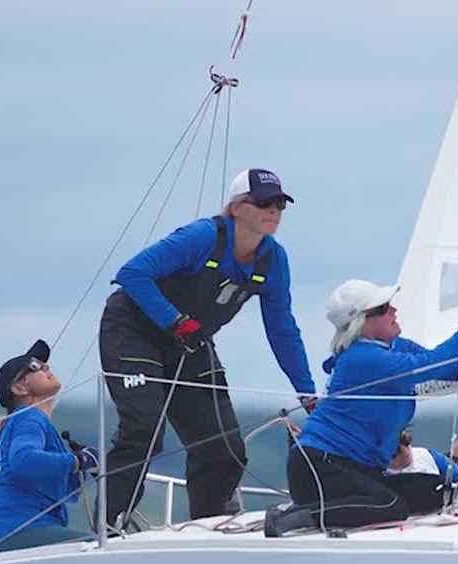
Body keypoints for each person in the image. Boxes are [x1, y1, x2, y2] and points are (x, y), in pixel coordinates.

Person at [98, 168, 316, 528]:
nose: (274, 210)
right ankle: (109, 524)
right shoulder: (201, 237)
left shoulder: (273, 259)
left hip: (188, 343)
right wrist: (175, 320)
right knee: (144, 430)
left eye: (279, 204)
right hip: (132, 331)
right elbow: (132, 273)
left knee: (224, 447)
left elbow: (281, 328)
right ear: (236, 207)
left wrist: (306, 392)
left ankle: (207, 529)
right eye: (264, 202)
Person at [264, 280, 458, 536]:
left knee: (437, 490)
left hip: (352, 468)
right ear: (361, 323)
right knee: (391, 507)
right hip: (321, 468)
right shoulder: (363, 358)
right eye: (382, 308)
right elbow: (433, 364)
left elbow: (449, 366)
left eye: (390, 304)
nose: (393, 311)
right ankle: (293, 517)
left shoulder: (392, 349)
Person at [0, 340, 98, 552]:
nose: (46, 367)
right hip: (23, 530)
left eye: (45, 364)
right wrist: (77, 461)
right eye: (35, 367)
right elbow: (24, 461)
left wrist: (80, 470)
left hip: (13, 532)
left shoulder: (20, 422)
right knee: (99, 549)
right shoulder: (30, 418)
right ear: (20, 387)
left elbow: (62, 491)